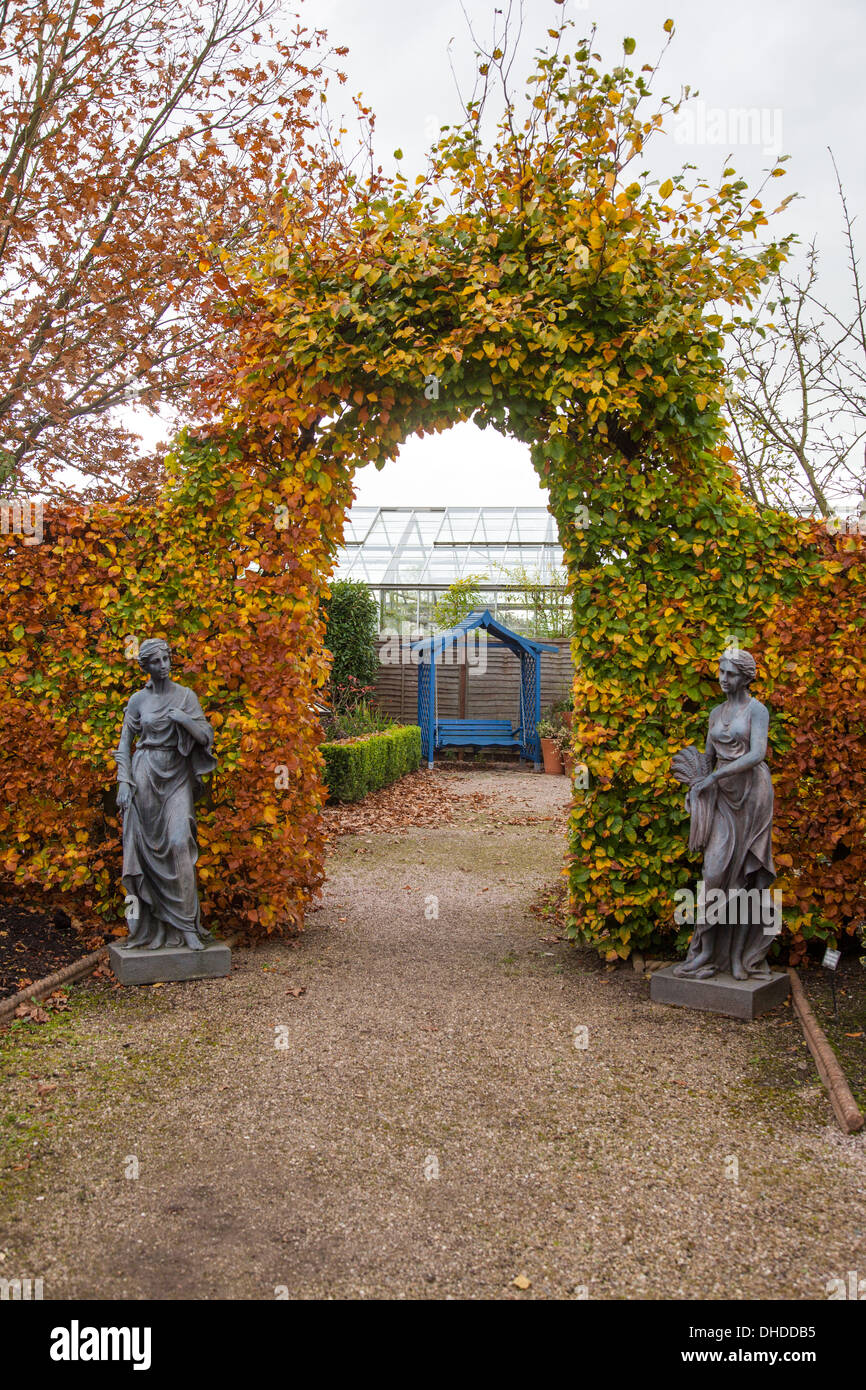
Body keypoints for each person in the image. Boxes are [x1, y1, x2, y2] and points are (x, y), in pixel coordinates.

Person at [672, 649, 777, 980]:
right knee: (714, 871)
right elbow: (707, 759)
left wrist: (715, 777)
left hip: (753, 796)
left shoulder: (756, 711)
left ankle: (738, 957)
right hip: (722, 798)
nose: (722, 678)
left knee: (749, 879)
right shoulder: (716, 713)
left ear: (745, 677)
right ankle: (704, 952)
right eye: (720, 671)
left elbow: (758, 753)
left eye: (729, 673)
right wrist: (696, 791)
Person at [113, 638, 217, 950]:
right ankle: (156, 924)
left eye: (167, 658)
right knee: (147, 854)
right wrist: (123, 782)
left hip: (176, 776)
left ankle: (186, 925)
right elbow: (124, 745)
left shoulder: (185, 697)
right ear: (145, 666)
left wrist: (184, 719)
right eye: (157, 661)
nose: (164, 665)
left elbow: (205, 737)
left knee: (178, 842)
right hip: (146, 774)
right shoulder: (137, 701)